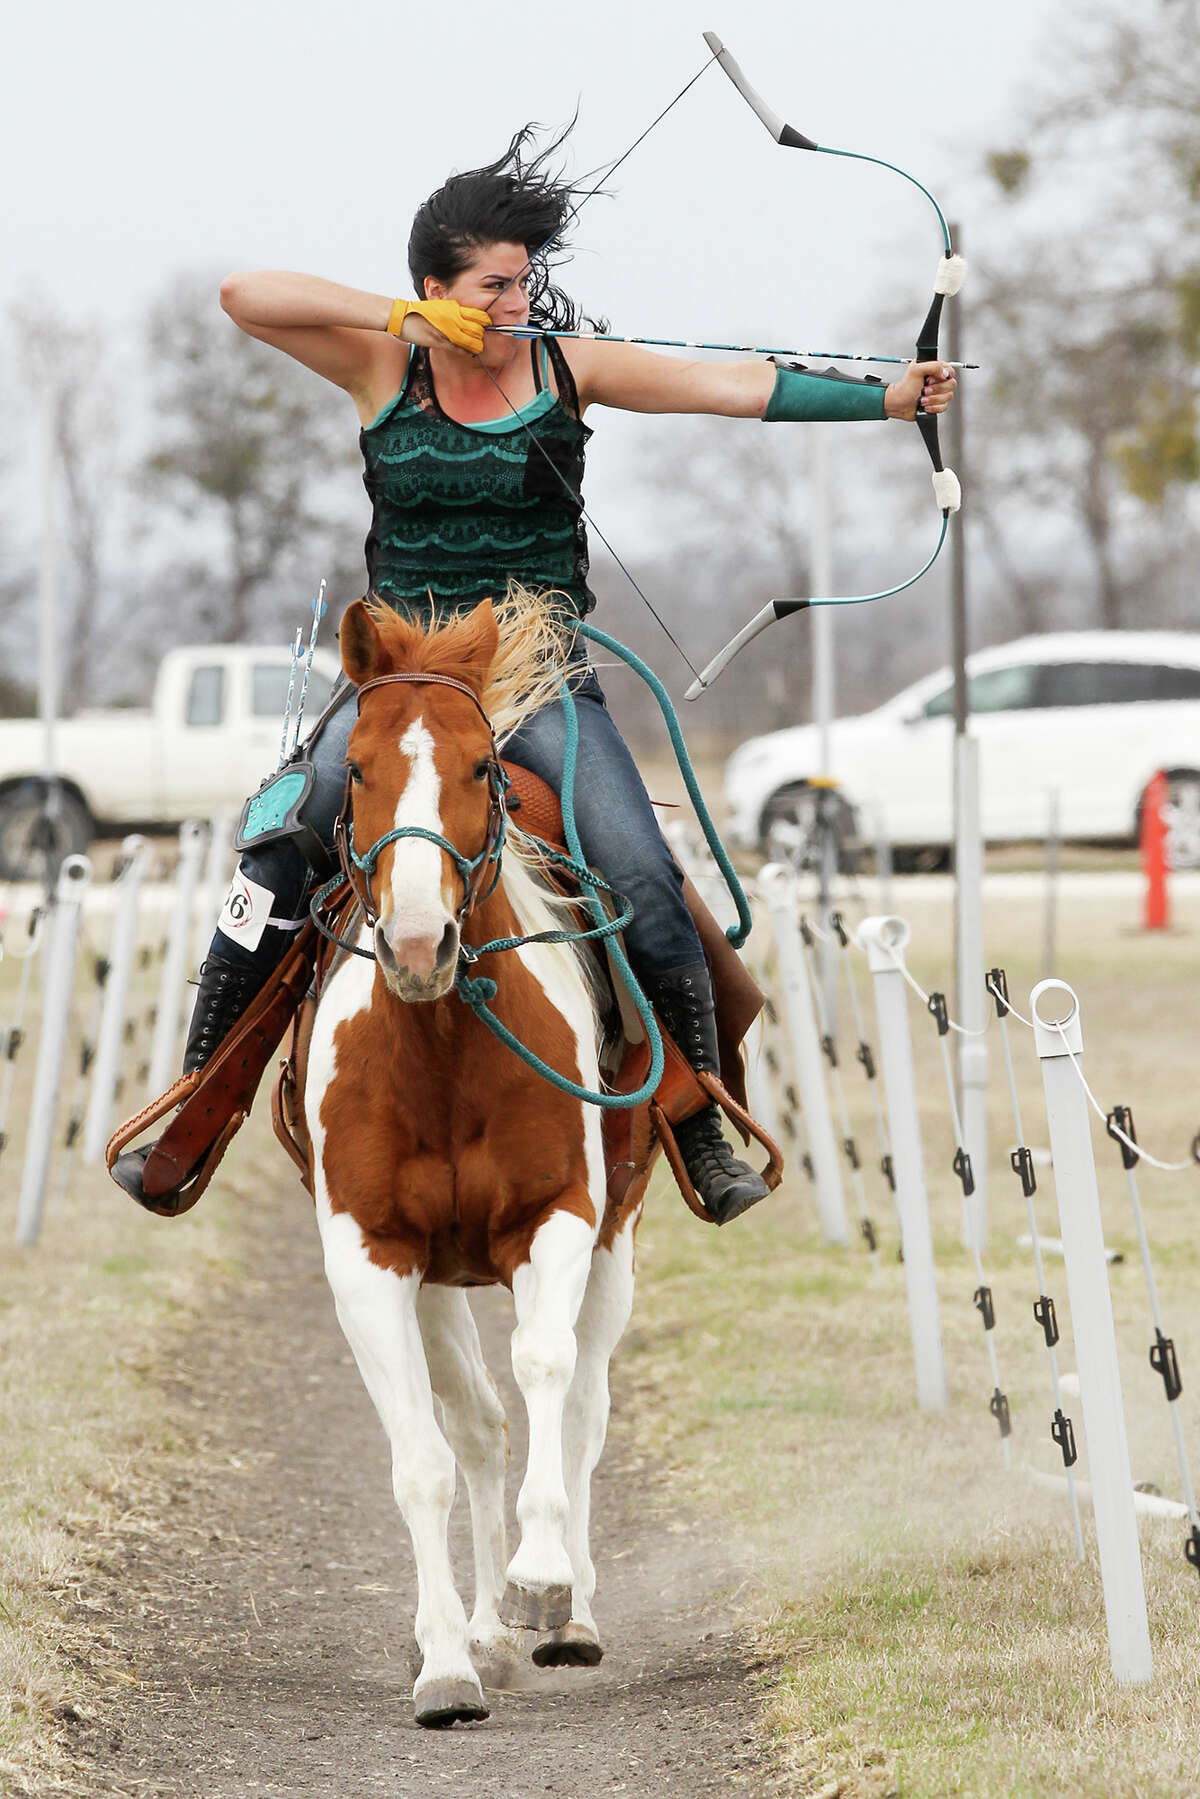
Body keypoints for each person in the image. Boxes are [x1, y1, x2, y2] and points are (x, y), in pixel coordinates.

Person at [112, 128, 955, 1224]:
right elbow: (243, 293)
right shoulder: (383, 364)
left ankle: (698, 1119)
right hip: (404, 689)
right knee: (281, 841)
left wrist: (886, 399)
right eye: (493, 286)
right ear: (436, 289)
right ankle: (196, 1104)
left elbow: (729, 384)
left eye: (524, 281)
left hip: (540, 679)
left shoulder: (569, 367)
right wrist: (401, 320)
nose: (517, 303)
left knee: (640, 869)